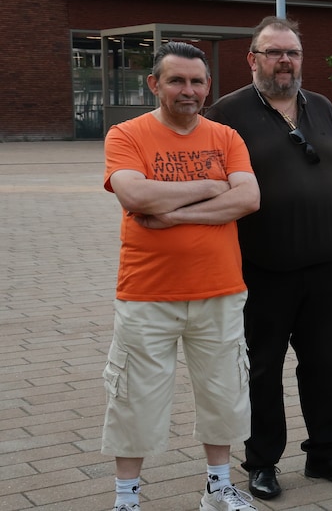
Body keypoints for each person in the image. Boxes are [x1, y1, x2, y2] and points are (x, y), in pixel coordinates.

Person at [205, 16, 332, 500]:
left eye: (292, 52)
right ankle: (263, 461)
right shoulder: (225, 114)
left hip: (324, 268)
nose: (284, 61)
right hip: (261, 269)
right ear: (252, 58)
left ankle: (324, 453)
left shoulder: (321, 107)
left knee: (324, 363)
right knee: (263, 368)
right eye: (273, 52)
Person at [101, 42, 261, 511]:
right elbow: (134, 194)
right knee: (134, 398)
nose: (187, 90)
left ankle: (218, 489)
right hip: (147, 293)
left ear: (208, 86)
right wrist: (212, 187)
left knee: (224, 394)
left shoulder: (226, 137)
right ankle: (126, 500)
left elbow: (248, 198)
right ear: (155, 84)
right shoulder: (126, 134)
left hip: (221, 289)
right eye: (176, 80)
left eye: (196, 81)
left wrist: (171, 213)